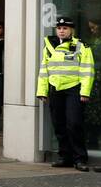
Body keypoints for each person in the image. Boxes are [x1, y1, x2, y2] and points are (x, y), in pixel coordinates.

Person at [37, 17, 94, 171]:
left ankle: (80, 159)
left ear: (71, 30)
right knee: (59, 125)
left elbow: (87, 70)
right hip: (55, 89)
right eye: (59, 28)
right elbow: (44, 70)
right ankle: (65, 157)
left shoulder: (81, 46)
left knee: (74, 124)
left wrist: (85, 92)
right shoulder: (49, 46)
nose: (62, 31)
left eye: (65, 28)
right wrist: (42, 91)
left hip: (74, 89)